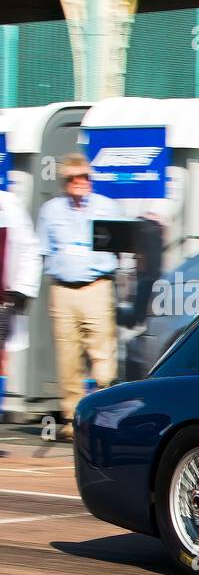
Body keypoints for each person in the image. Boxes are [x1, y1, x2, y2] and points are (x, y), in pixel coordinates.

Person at [37, 153, 120, 440]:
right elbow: (44, 250)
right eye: (73, 178)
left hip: (97, 286)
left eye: (83, 177)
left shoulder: (107, 207)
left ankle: (102, 413)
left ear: (90, 178)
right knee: (68, 357)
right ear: (64, 181)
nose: (79, 183)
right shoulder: (50, 210)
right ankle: (73, 419)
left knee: (103, 355)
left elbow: (123, 247)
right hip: (62, 290)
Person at [0, 187, 42, 400]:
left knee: (0, 353)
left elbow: (28, 248)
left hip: (3, 298)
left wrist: (23, 289)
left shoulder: (9, 204)